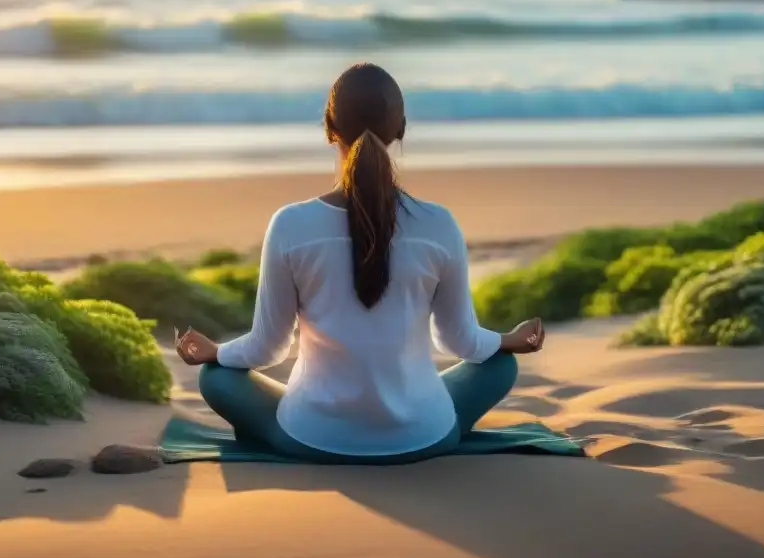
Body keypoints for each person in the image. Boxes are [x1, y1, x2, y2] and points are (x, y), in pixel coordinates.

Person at [176, 63, 545, 465]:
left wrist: (216, 352)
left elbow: (268, 349)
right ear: (401, 128)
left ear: (328, 128)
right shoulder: (439, 224)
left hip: (312, 436)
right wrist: (508, 340)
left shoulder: (290, 224)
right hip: (425, 436)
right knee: (499, 367)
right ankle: (413, 416)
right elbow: (460, 343)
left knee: (217, 378)